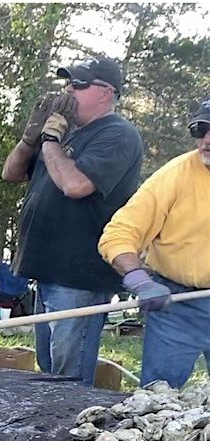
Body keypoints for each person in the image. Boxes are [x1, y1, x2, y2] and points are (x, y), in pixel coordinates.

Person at [2, 56, 143, 387]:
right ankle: (52, 418)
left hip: (79, 273)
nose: (68, 91)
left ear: (106, 93)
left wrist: (51, 141)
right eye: (67, 83)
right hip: (47, 268)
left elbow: (76, 185)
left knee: (68, 372)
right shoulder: (66, 134)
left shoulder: (118, 134)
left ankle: (71, 419)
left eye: (78, 84)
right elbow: (11, 173)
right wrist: (30, 139)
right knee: (49, 364)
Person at [97, 99, 210, 388]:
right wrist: (139, 280)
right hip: (177, 305)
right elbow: (119, 233)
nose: (207, 139)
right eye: (200, 130)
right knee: (157, 397)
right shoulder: (174, 176)